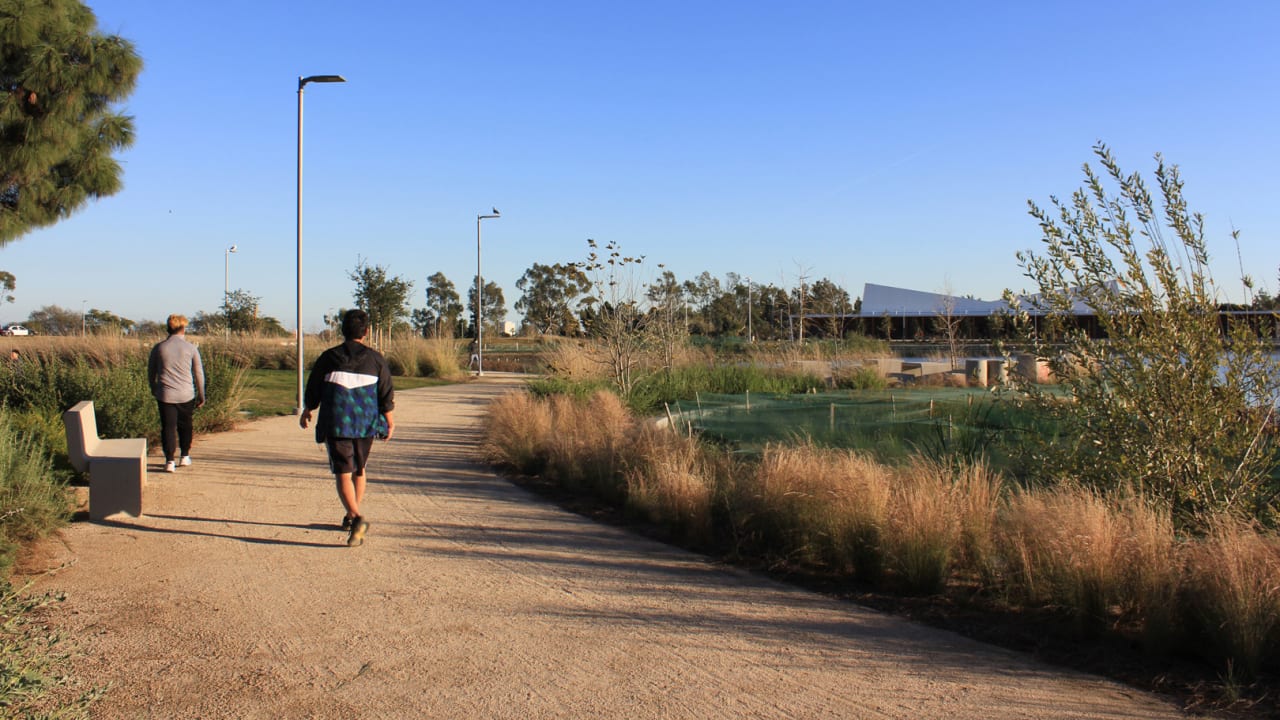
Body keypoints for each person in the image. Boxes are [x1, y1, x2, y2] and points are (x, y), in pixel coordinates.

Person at [300, 309, 395, 547]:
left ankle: (356, 517)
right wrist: (389, 419)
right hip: (366, 424)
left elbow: (314, 388)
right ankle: (352, 513)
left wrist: (308, 409)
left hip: (337, 421)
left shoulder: (329, 357)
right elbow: (386, 391)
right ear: (366, 331)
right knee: (359, 469)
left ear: (343, 330)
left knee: (343, 471)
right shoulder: (376, 359)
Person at [147, 314, 206, 473]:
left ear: (168, 328)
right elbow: (198, 373)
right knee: (186, 426)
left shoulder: (159, 348)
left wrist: (154, 388)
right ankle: (185, 455)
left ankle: (169, 461)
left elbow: (151, 372)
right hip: (186, 394)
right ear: (183, 329)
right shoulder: (191, 348)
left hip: (165, 394)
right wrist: (202, 394)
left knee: (168, 427)